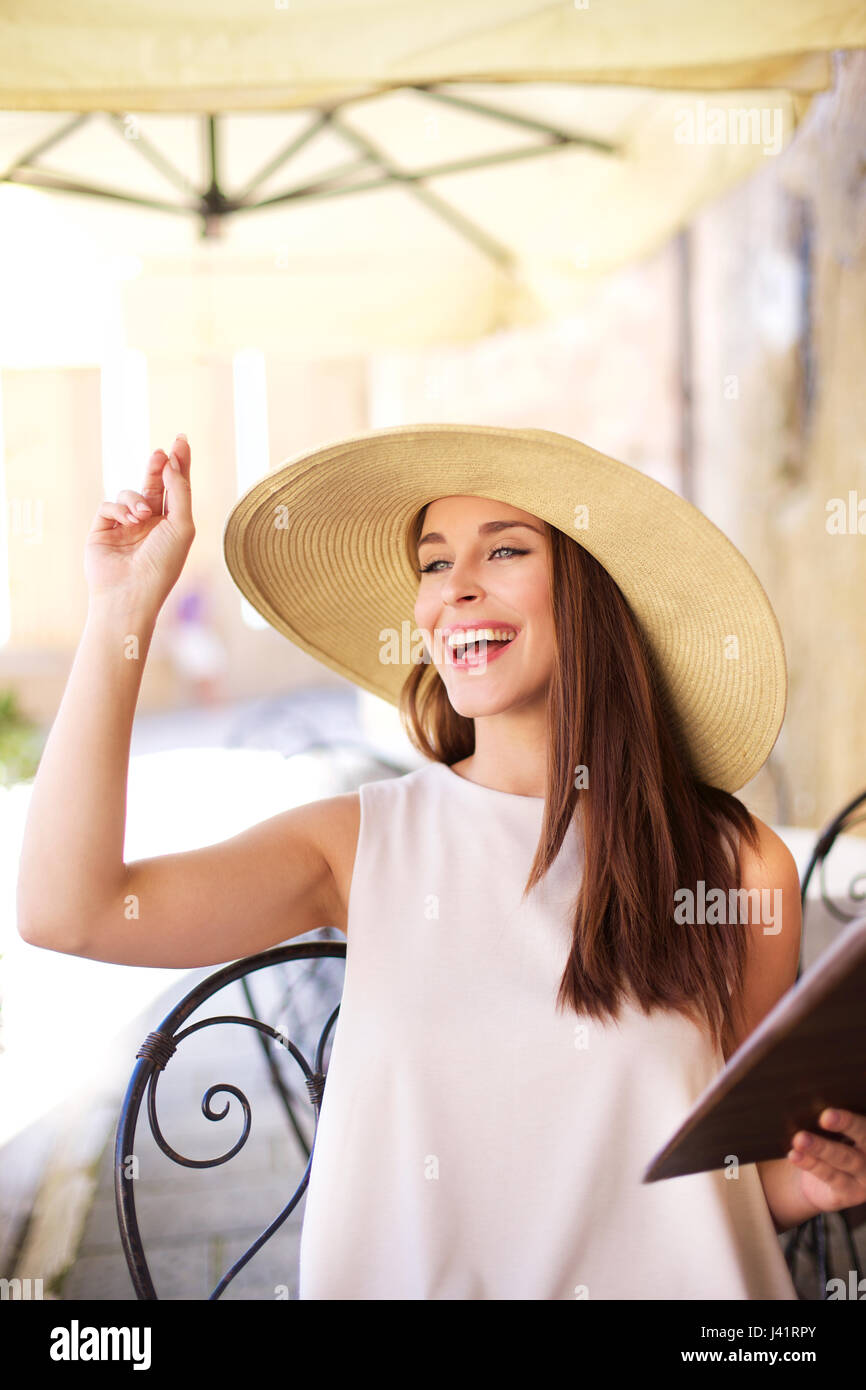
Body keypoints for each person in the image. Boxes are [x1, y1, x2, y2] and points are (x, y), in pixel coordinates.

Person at [16, 426, 866, 1300]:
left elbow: (729, 1173)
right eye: (432, 564)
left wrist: (809, 1183)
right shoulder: (357, 845)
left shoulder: (738, 866)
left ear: (591, 591)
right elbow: (67, 910)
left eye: (503, 551)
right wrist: (122, 614)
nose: (454, 589)